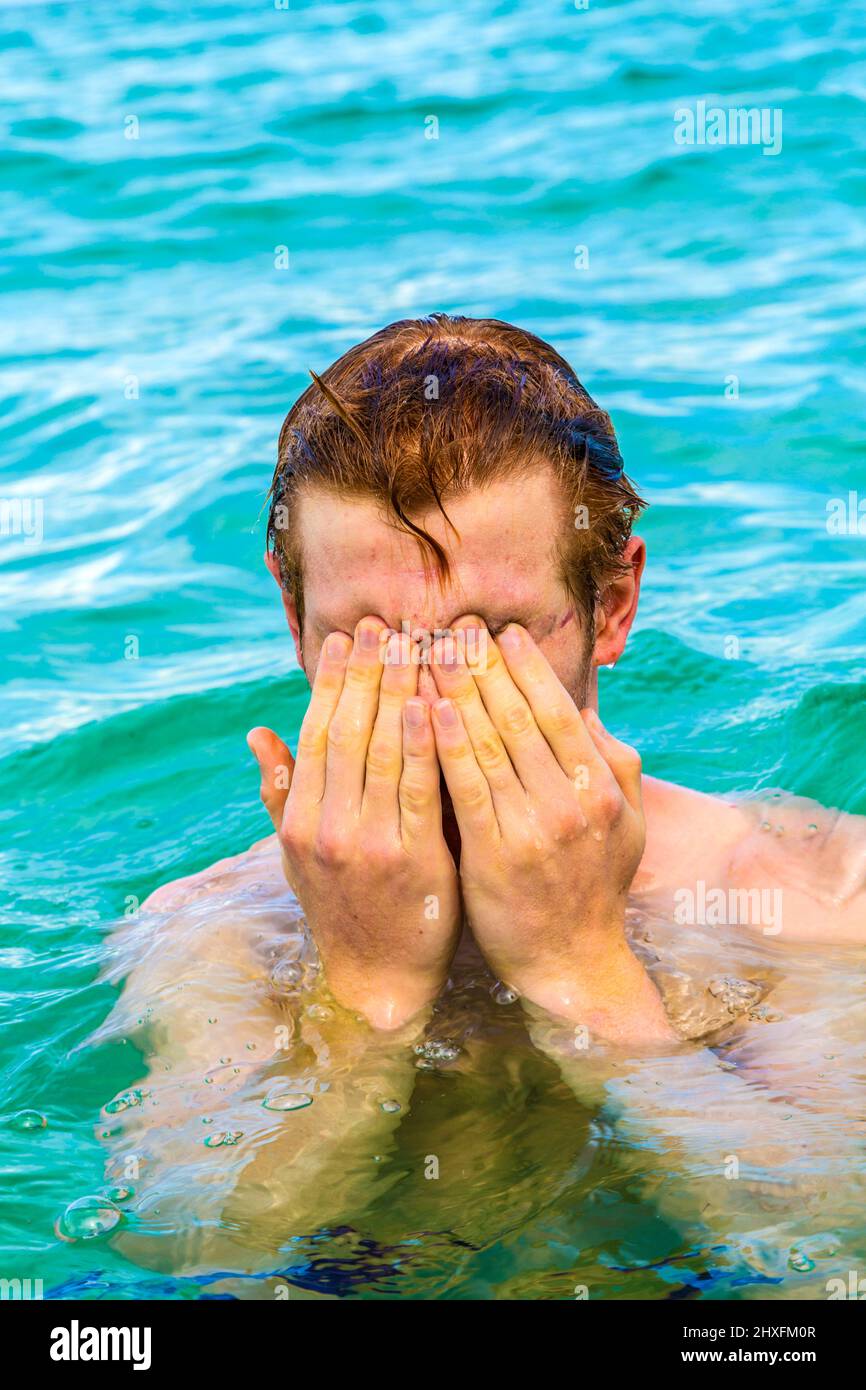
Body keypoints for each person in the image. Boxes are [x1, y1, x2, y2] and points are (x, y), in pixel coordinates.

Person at [97, 315, 866, 1279]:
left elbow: (827, 1252)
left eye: (493, 638)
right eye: (368, 639)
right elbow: (181, 1248)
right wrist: (367, 1001)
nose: (433, 703)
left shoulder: (813, 893)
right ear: (295, 621)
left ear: (614, 606)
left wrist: (583, 974)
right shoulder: (216, 928)